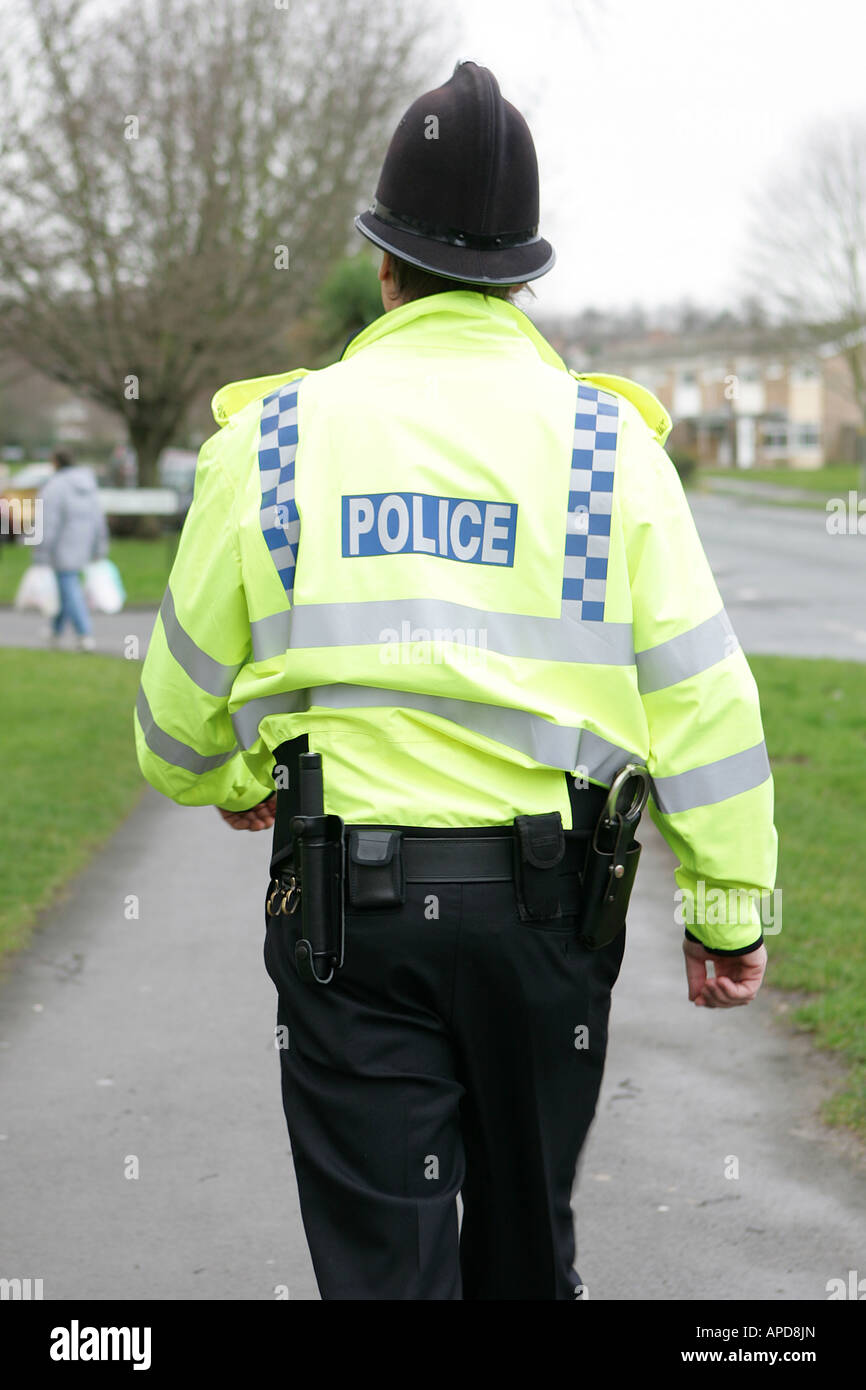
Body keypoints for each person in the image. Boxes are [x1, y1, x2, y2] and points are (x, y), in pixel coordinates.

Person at [134, 61, 777, 1300]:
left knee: (386, 1268)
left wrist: (234, 773)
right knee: (527, 1251)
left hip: (347, 916)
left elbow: (172, 723)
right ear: (520, 278)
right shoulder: (609, 448)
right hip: (548, 918)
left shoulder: (268, 441)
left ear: (384, 264)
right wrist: (725, 908)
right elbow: (703, 699)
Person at [32, 448, 109, 651]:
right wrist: (100, 545)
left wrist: (41, 549)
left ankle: (84, 633)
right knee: (65, 587)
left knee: (69, 587)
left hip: (62, 546)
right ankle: (56, 630)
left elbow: (47, 522)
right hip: (83, 544)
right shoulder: (89, 485)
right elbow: (98, 519)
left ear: (55, 462)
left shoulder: (54, 487)